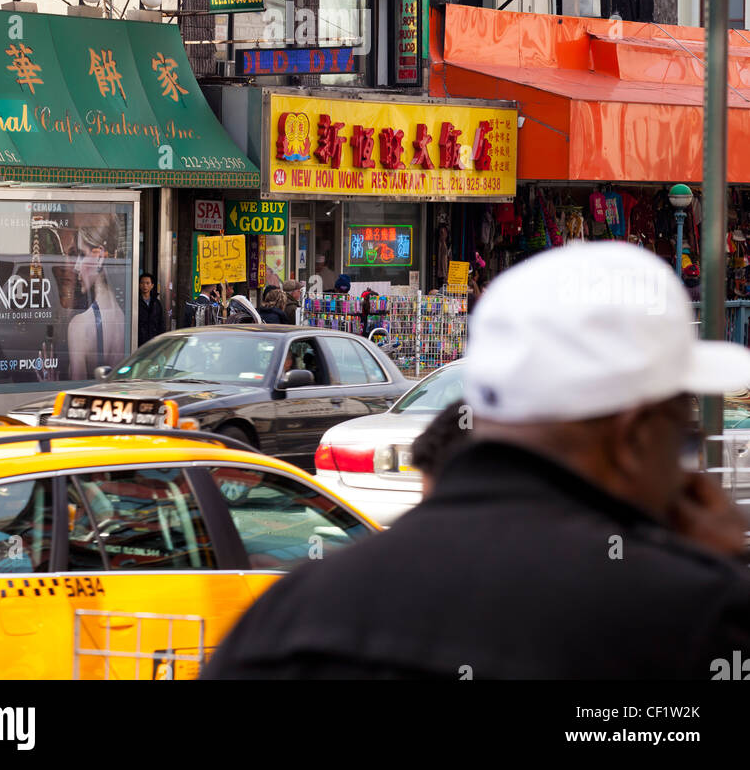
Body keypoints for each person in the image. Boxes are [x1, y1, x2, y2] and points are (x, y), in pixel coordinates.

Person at [203, 241, 750, 681]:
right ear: (633, 440)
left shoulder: (293, 616)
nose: (690, 469)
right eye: (683, 439)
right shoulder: (691, 620)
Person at [67, 214, 126, 379]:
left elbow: (77, 393)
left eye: (82, 254)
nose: (77, 267)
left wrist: (51, 384)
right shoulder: (124, 319)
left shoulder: (79, 326)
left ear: (100, 256)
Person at [137, 272, 165, 346]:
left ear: (152, 285)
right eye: (142, 283)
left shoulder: (156, 303)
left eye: (147, 283)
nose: (145, 286)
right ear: (139, 285)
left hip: (154, 341)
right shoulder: (135, 302)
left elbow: (161, 323)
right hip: (139, 340)